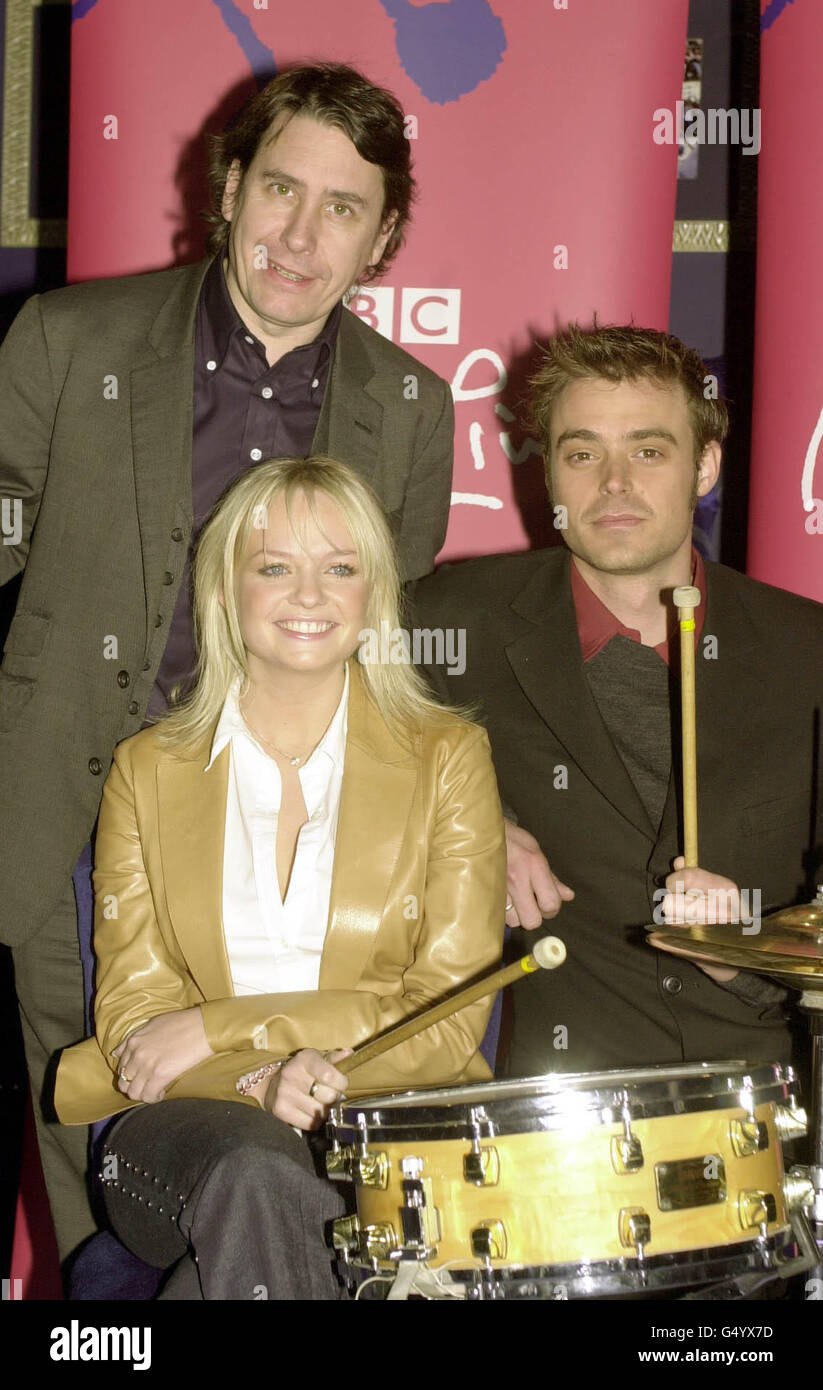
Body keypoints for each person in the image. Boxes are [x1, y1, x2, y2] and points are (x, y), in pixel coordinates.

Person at [0, 62, 455, 1263]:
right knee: (87, 1137)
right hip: (63, 815)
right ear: (229, 186)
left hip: (272, 842)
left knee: (265, 1136)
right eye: (280, 190)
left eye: (343, 208)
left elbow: (381, 634)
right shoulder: (67, 339)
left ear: (382, 234)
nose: (301, 236)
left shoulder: (408, 408)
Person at [52, 455, 505, 1299]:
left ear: (372, 600)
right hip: (179, 1135)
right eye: (275, 567)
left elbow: (446, 1019)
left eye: (339, 568)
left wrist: (230, 1028)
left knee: (244, 1239)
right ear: (225, 591)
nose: (309, 594)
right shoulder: (145, 769)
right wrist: (254, 1084)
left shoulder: (448, 758)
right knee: (256, 1171)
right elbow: (137, 1024)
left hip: (387, 1126)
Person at [412, 323, 823, 1078]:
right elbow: (319, 758)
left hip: (779, 1113)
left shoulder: (809, 654)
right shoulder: (451, 620)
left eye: (647, 450)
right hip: (559, 1128)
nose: (613, 483)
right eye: (580, 453)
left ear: (704, 465)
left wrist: (745, 954)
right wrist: (466, 827)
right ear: (547, 474)